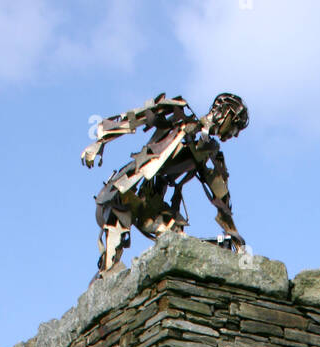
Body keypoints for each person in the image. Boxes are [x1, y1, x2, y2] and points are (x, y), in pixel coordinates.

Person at [81, 92, 249, 275]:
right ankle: (107, 277)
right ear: (226, 114)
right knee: (112, 256)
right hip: (126, 188)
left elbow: (221, 197)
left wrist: (235, 239)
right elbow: (138, 117)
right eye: (235, 126)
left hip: (151, 205)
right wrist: (100, 141)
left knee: (177, 238)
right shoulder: (178, 113)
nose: (234, 134)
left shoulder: (209, 152)